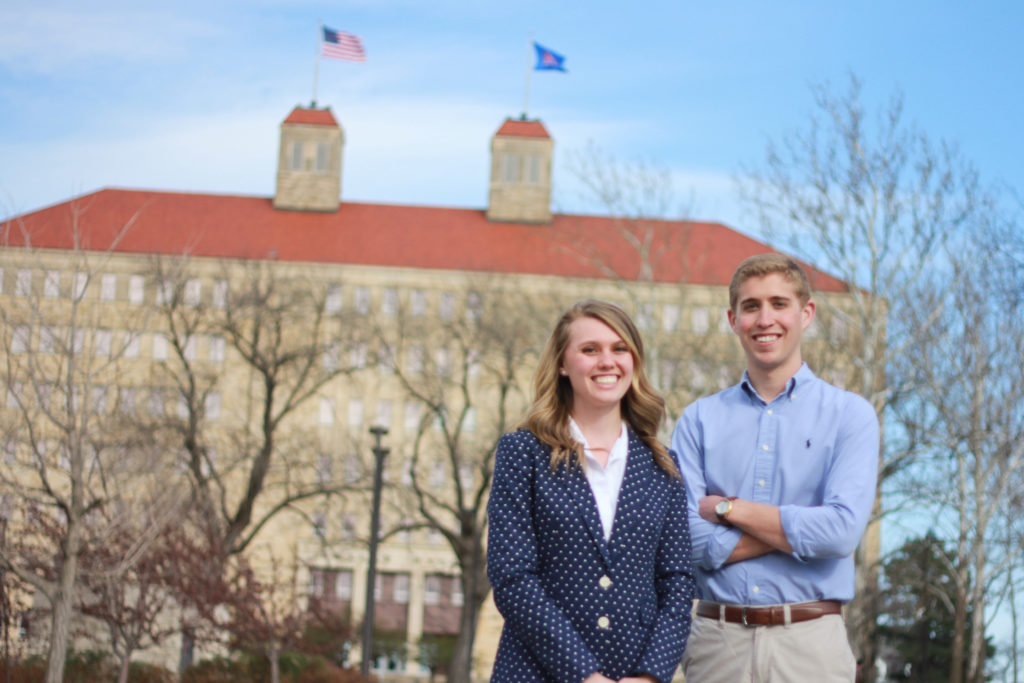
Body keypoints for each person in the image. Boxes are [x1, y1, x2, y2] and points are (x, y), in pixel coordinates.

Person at [672, 253, 879, 682]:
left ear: (806, 314)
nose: (765, 319)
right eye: (751, 307)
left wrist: (730, 510)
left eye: (779, 304)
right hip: (717, 643)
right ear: (733, 319)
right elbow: (684, 540)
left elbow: (841, 532)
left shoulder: (850, 416)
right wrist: (799, 528)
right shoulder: (697, 420)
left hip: (810, 645)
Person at [487, 299, 695, 683]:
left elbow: (678, 583)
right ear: (563, 364)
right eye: (590, 349)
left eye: (619, 349)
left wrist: (650, 676)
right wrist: (585, 676)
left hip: (633, 674)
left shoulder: (663, 465)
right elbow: (512, 577)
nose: (607, 361)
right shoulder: (523, 453)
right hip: (536, 673)